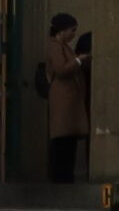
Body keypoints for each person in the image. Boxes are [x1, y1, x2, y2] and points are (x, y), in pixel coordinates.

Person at [37, 11, 92, 185]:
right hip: (64, 99)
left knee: (67, 142)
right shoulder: (55, 46)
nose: (73, 34)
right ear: (62, 30)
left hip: (68, 99)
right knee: (62, 142)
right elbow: (61, 69)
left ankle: (64, 177)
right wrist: (78, 61)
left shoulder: (62, 46)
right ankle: (60, 178)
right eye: (72, 30)